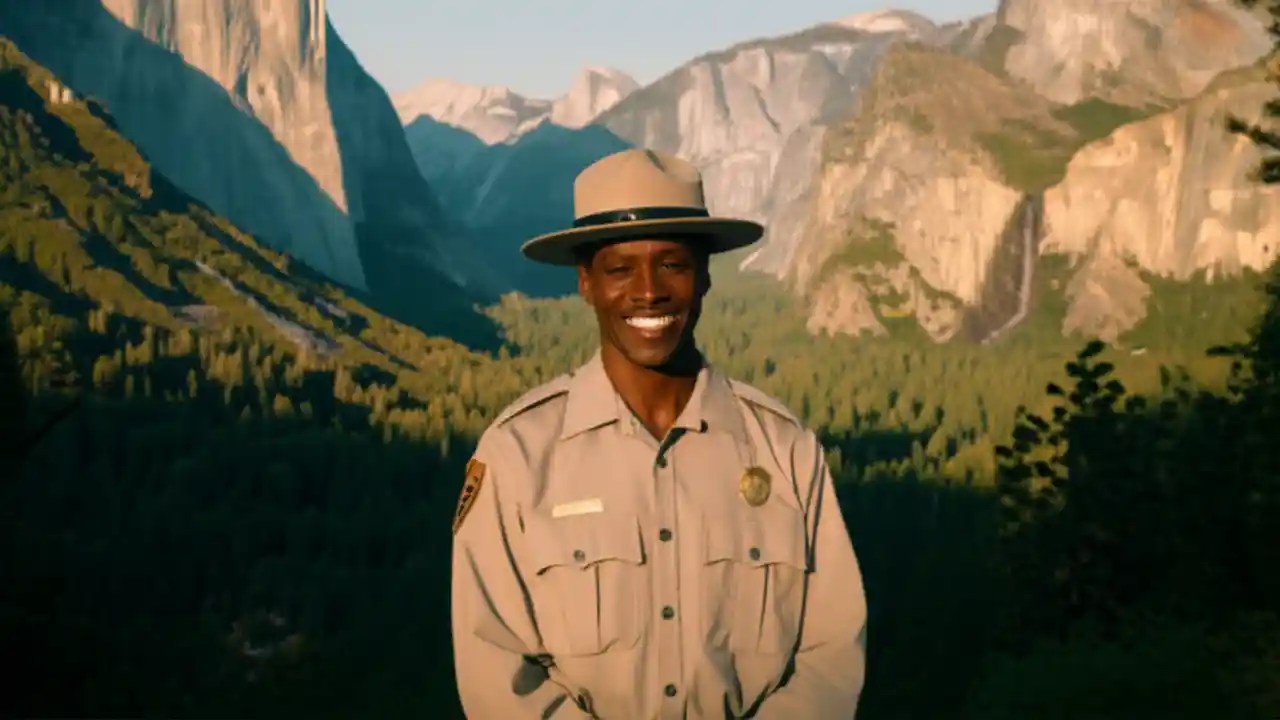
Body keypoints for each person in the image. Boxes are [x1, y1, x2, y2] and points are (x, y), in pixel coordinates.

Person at [450, 148, 867, 719]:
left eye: (672, 264)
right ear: (586, 284)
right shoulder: (517, 456)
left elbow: (831, 653)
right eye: (620, 268)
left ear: (705, 278)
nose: (649, 292)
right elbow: (497, 673)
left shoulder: (787, 450)